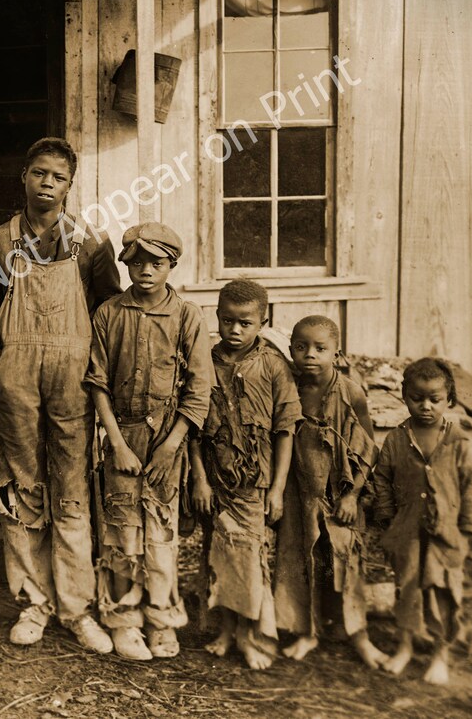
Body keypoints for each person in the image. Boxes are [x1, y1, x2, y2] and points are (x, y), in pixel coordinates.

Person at [0, 137, 121, 653]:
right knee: (21, 484)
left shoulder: (91, 243)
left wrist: (96, 372)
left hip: (73, 380)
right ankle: (33, 603)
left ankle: (77, 607)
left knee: (72, 488)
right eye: (39, 173)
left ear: (69, 185)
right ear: (24, 176)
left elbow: (107, 311)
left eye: (58, 177)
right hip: (17, 377)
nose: (47, 184)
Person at [85, 223, 212, 659]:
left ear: (171, 265)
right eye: (137, 262)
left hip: (167, 440)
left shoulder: (187, 316)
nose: (145, 270)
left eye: (156, 263)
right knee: (122, 530)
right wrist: (117, 442)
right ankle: (124, 620)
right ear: (126, 265)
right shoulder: (109, 313)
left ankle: (161, 619)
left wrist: (172, 444)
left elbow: (199, 389)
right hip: (123, 434)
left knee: (160, 532)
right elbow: (97, 382)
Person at [189, 279, 301, 670]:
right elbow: (193, 427)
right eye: (227, 321)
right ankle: (225, 629)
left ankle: (252, 635)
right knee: (219, 554)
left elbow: (285, 429)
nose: (235, 330)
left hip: (255, 483)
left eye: (245, 323)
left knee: (250, 557)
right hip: (216, 481)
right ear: (217, 317)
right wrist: (199, 479)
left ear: (262, 323)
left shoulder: (273, 366)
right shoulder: (204, 360)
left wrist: (277, 488)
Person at [275, 315, 386, 668]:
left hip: (340, 493)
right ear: (291, 350)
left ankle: (360, 636)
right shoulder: (288, 389)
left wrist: (352, 495)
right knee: (304, 560)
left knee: (346, 561)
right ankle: (308, 631)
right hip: (300, 492)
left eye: (320, 348)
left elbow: (368, 449)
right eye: (301, 347)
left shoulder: (351, 392)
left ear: (336, 353)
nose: (310, 354)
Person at [373, 358, 472, 685]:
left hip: (446, 534)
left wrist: (468, 529)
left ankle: (440, 654)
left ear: (449, 399)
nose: (425, 406)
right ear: (404, 396)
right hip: (406, 530)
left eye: (434, 399)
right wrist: (386, 516)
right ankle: (405, 645)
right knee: (407, 589)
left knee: (442, 592)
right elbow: (382, 479)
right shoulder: (396, 439)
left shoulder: (457, 441)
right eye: (417, 398)